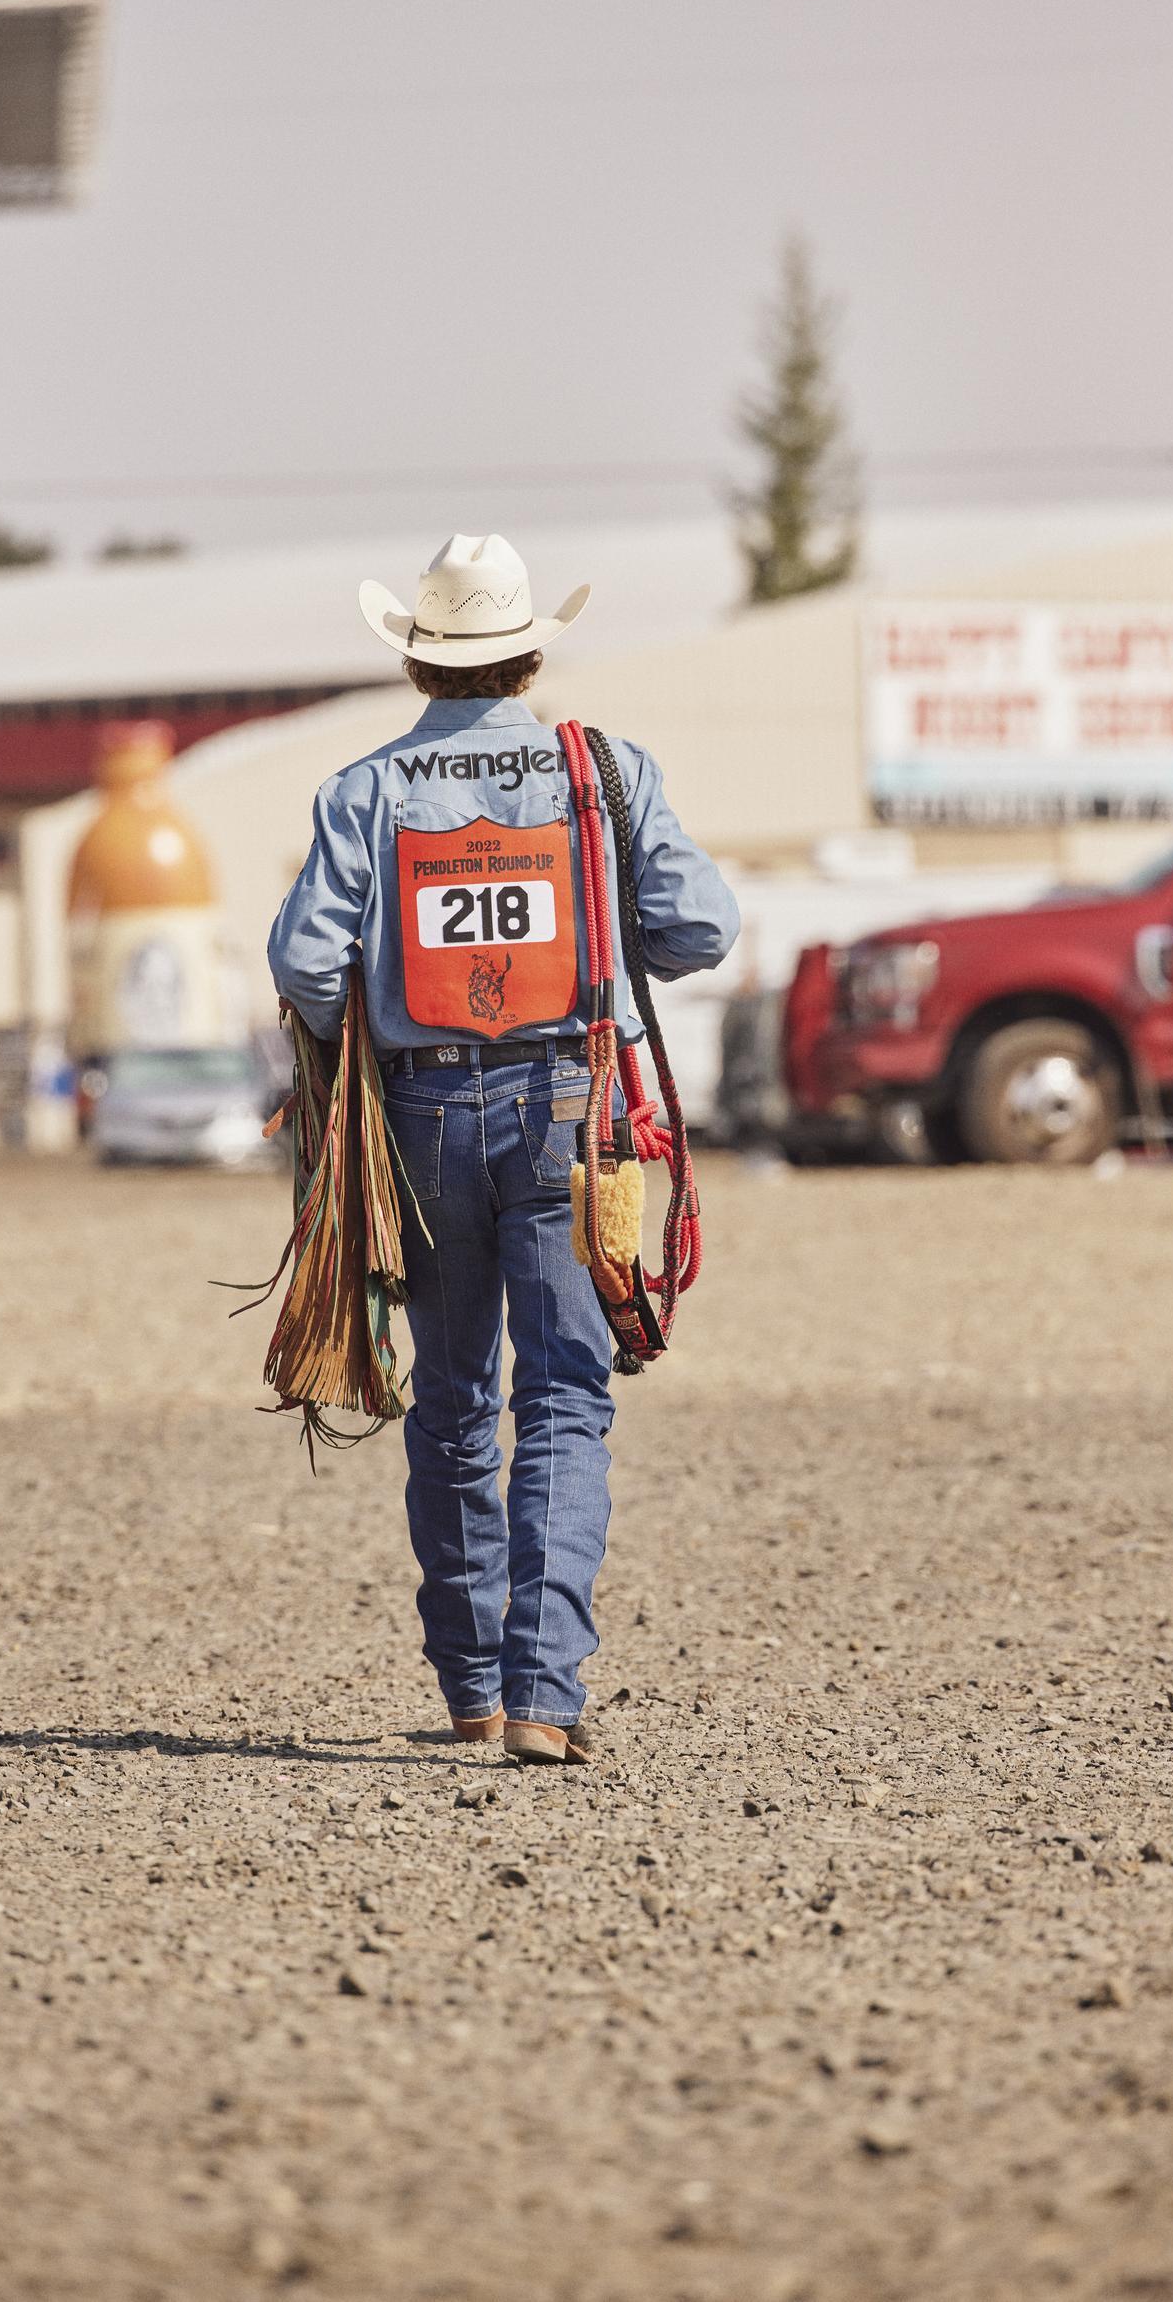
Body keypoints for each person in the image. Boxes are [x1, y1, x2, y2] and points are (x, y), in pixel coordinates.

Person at [268, 534, 738, 1763]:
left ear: (420, 659)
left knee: (456, 1400)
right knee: (567, 1398)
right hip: (570, 1115)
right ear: (531, 649)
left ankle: (470, 1686)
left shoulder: (364, 791)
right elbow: (701, 928)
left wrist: (364, 1044)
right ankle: (542, 1697)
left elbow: (306, 965)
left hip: (419, 1123)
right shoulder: (606, 770)